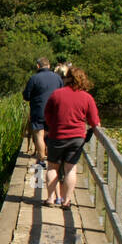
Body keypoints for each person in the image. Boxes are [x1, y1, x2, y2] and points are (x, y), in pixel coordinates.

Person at [43, 66, 100, 209]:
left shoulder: (56, 94)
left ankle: (50, 198)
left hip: (57, 136)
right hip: (76, 138)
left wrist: (52, 126)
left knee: (52, 167)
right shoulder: (87, 98)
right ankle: (66, 201)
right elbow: (94, 121)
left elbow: (47, 114)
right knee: (70, 168)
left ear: (67, 78)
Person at [21, 56, 63, 166]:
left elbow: (26, 96)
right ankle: (50, 157)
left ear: (38, 66)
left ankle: (41, 159)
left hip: (38, 111)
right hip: (54, 112)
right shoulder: (57, 78)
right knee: (50, 134)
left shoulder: (34, 78)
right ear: (49, 66)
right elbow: (63, 94)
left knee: (39, 135)